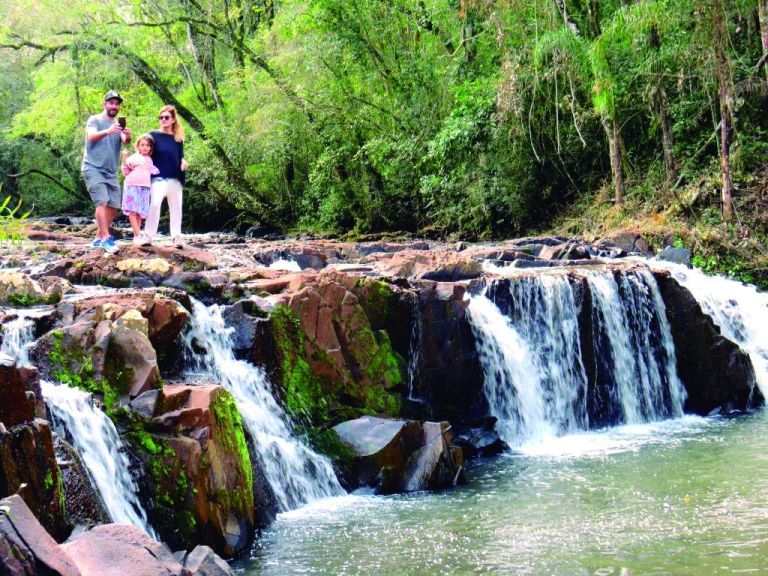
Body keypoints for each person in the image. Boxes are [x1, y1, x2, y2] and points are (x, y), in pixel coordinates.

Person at [82, 90, 132, 253]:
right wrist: (108, 131)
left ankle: (97, 239)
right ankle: (106, 238)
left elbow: (125, 142)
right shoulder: (94, 120)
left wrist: (127, 136)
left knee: (114, 205)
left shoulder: (117, 125)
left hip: (110, 171)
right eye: (111, 102)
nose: (114, 106)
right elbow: (91, 137)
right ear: (104, 104)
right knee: (102, 201)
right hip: (93, 167)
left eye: (117, 103)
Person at [144, 105, 188, 248]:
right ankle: (148, 236)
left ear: (173, 120)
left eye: (166, 117)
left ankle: (176, 237)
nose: (163, 119)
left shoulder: (178, 139)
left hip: (175, 177)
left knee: (176, 208)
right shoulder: (153, 135)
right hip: (158, 178)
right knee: (155, 204)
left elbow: (180, 157)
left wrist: (184, 162)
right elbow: (143, 151)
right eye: (161, 117)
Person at [121, 134, 159, 245]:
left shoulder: (150, 160)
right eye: (142, 145)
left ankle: (136, 235)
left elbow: (153, 171)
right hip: (132, 186)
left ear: (151, 147)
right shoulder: (133, 158)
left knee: (139, 213)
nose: (145, 147)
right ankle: (138, 235)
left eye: (147, 145)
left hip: (145, 188)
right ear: (138, 146)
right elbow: (125, 172)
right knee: (132, 211)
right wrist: (124, 159)